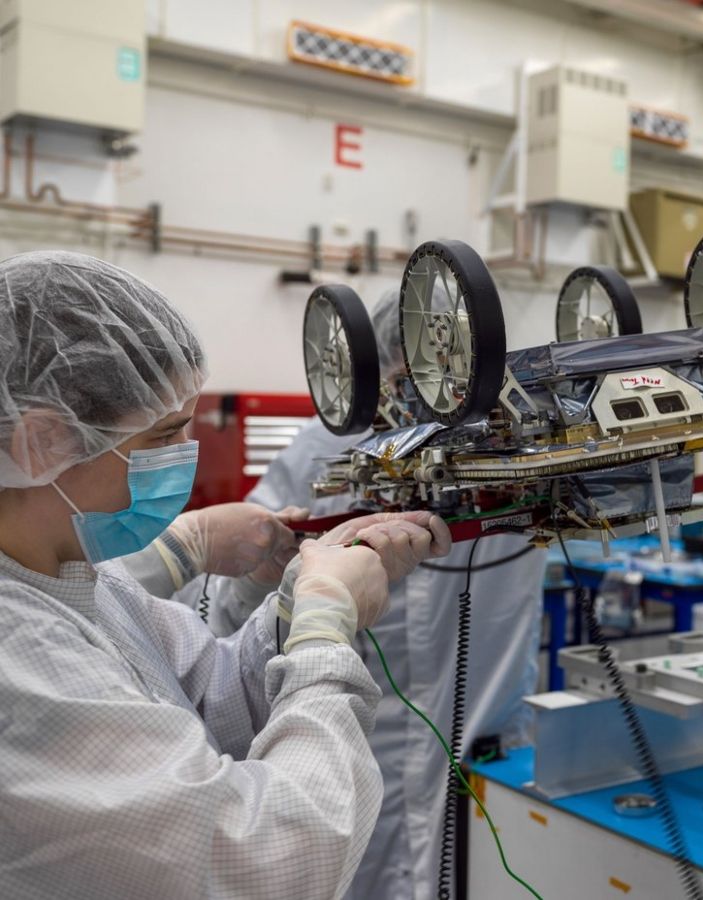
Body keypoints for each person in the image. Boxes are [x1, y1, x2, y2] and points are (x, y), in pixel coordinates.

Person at [0, 251, 451, 899]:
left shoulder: (73, 577)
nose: (181, 459)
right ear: (42, 443)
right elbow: (272, 860)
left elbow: (208, 694)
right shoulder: (22, 664)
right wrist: (326, 634)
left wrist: (294, 608)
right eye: (162, 436)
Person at [193, 288, 547, 899]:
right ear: (375, 367)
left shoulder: (524, 445)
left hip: (490, 747)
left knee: (489, 874)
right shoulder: (322, 448)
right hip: (356, 741)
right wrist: (280, 580)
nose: (428, 388)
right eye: (410, 368)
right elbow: (235, 611)